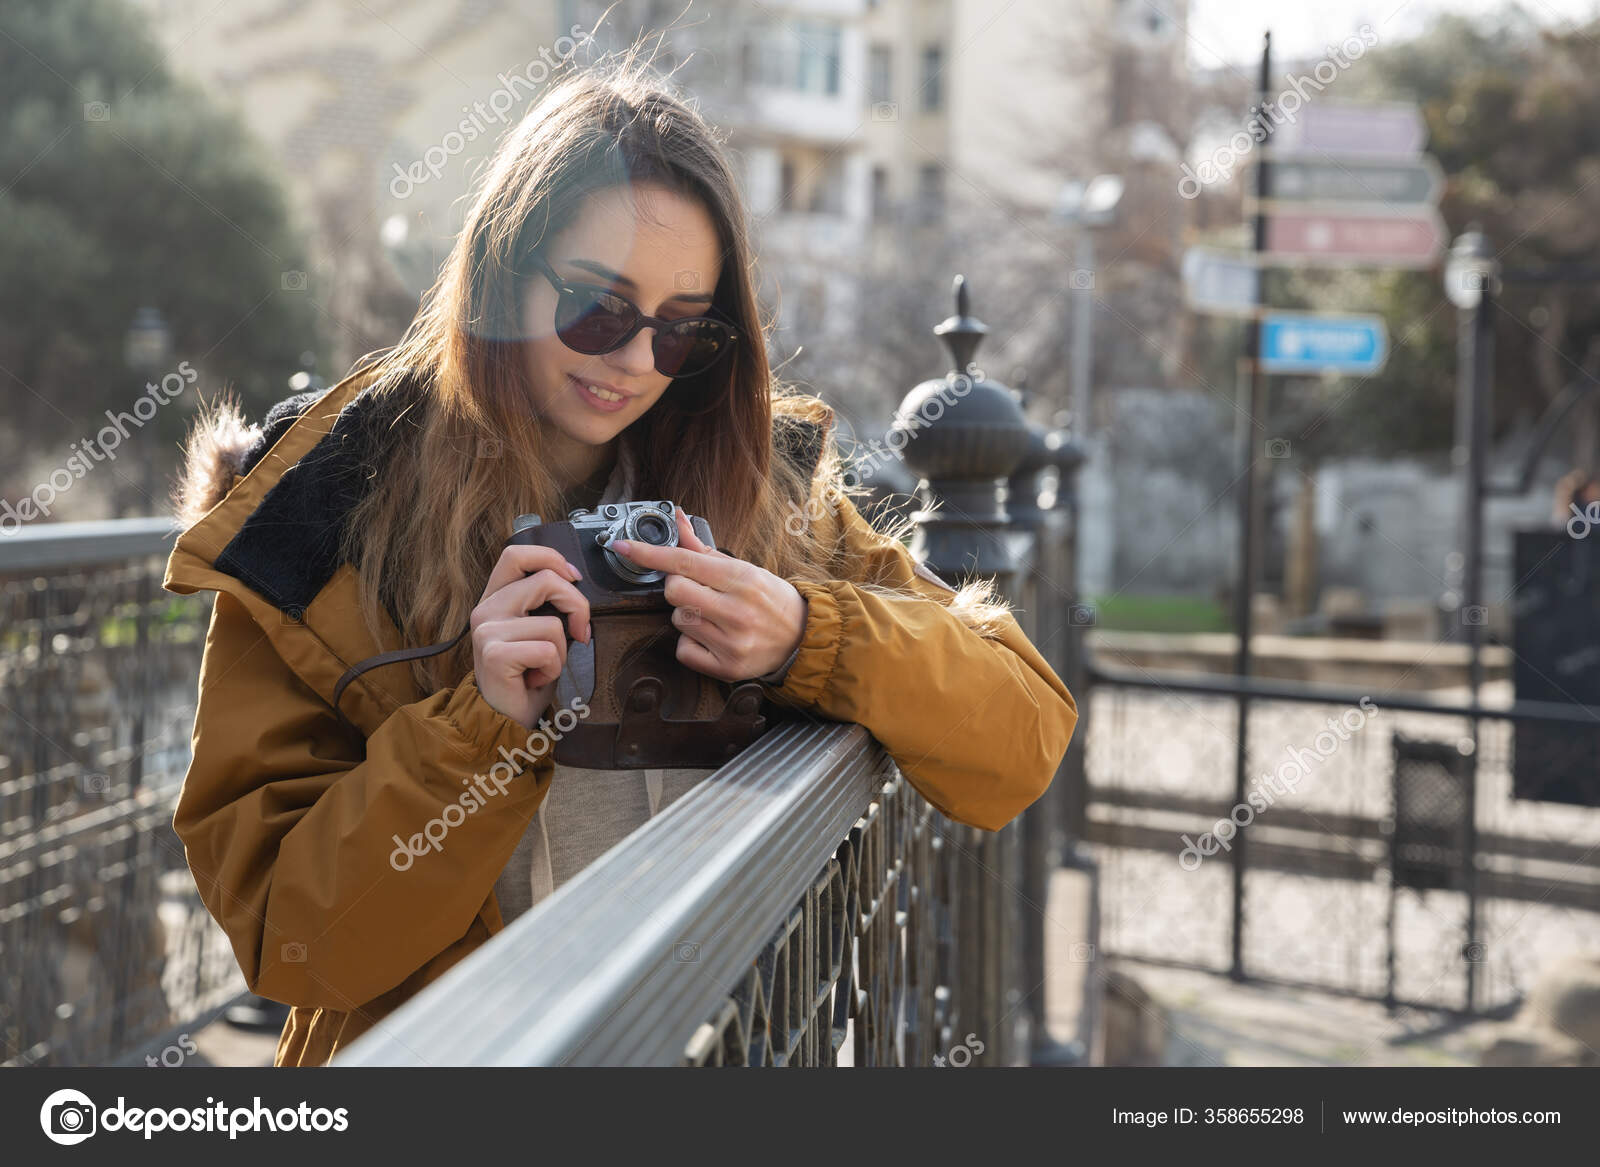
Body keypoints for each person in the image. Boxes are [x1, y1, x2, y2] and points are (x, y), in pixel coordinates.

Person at [164, 60, 1078, 1068]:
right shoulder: (318, 522)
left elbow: (1021, 738)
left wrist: (809, 636)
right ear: (505, 270)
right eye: (598, 309)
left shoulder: (759, 489)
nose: (636, 361)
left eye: (682, 329)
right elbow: (292, 941)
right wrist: (479, 727)